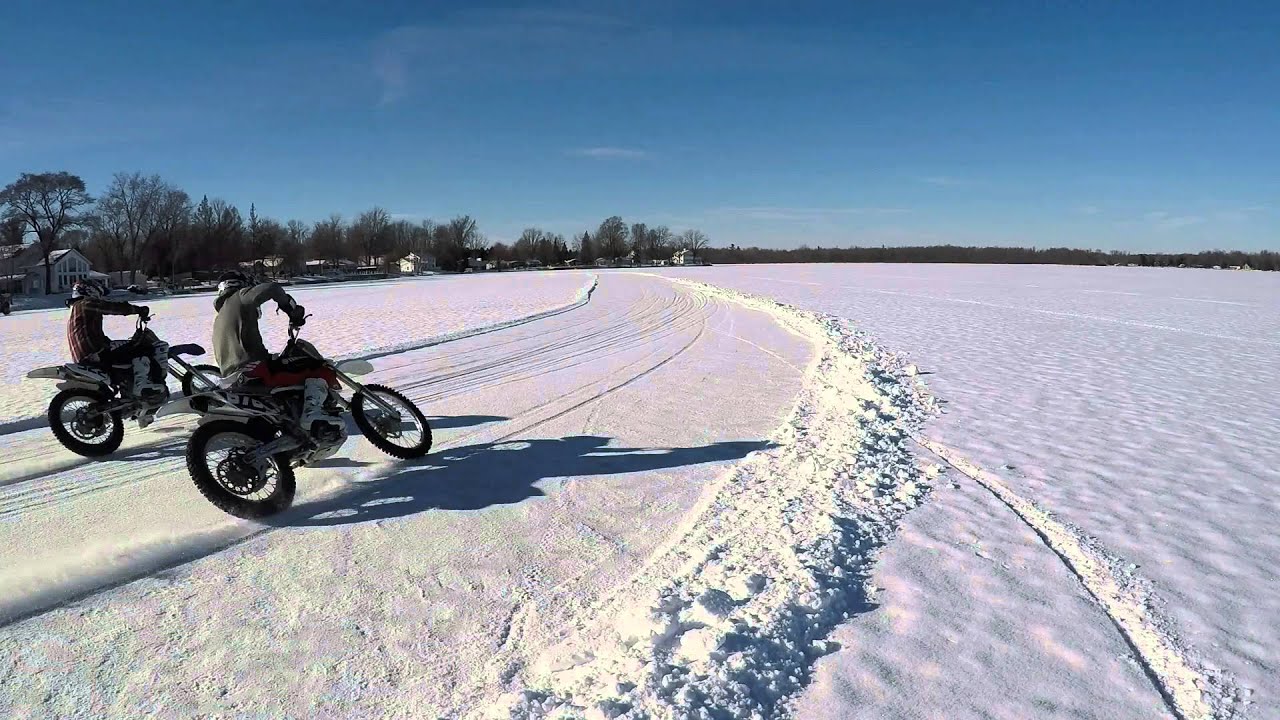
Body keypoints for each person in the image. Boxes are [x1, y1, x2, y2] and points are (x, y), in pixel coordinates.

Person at [212, 271, 341, 436]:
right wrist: (291, 309)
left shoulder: (220, 316)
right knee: (316, 368)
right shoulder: (239, 297)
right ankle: (311, 413)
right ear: (239, 285)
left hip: (232, 378)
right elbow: (272, 288)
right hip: (253, 369)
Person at [65, 278, 169, 419]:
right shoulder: (86, 303)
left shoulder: (76, 309)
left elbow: (94, 334)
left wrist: (112, 343)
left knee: (126, 352)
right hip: (95, 352)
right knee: (141, 349)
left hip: (87, 354)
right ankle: (141, 386)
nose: (100, 295)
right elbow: (112, 308)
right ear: (90, 290)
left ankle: (131, 397)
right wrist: (137, 310)